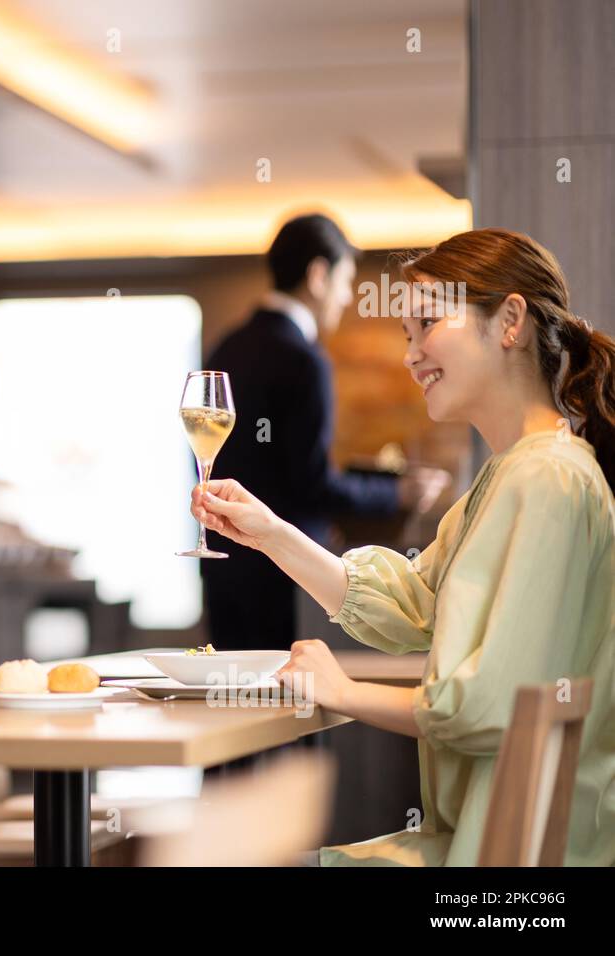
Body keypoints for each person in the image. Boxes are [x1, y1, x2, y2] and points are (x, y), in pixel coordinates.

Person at [192, 228, 615, 865]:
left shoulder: (547, 477)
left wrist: (340, 690)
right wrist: (273, 533)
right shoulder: (516, 472)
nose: (412, 355)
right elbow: (415, 603)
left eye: (427, 326)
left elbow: (488, 703)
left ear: (510, 322)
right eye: (407, 336)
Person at [202, 213, 448, 650]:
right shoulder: (303, 358)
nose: (347, 296)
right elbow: (312, 485)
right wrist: (399, 494)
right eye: (345, 280)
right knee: (286, 703)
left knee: (229, 697)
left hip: (223, 567)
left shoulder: (227, 345)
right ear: (318, 275)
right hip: (286, 574)